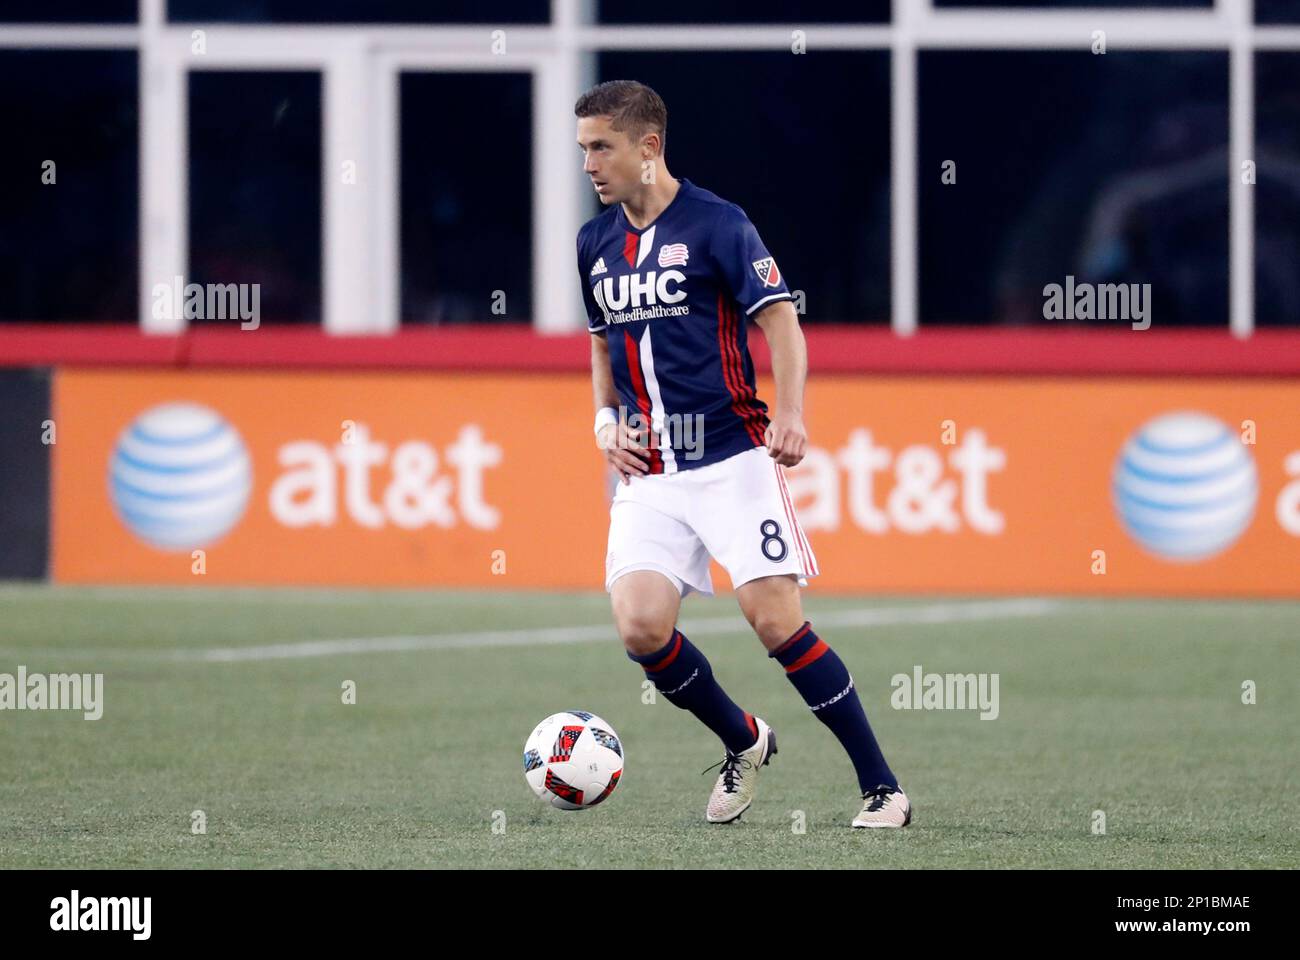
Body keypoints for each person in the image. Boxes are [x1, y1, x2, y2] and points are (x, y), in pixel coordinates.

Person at [575, 80, 910, 828]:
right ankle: (745, 740)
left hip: (732, 459)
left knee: (775, 623)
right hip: (650, 473)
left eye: (602, 147)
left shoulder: (718, 224)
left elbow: (783, 323)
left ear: (648, 146)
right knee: (640, 628)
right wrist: (605, 423)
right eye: (584, 149)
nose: (590, 164)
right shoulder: (594, 242)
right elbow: (601, 341)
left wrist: (790, 413)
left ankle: (883, 787)